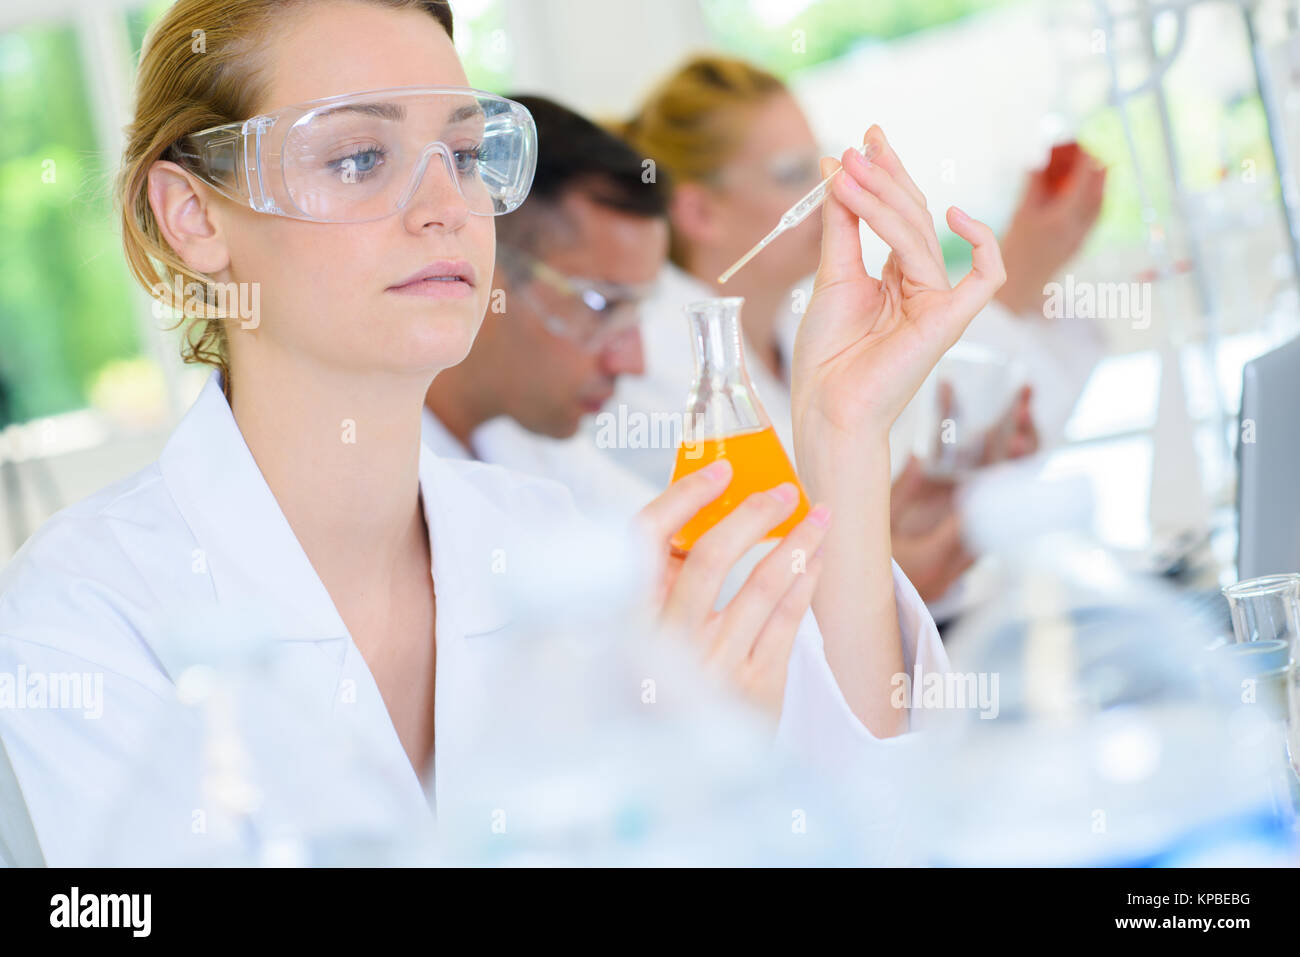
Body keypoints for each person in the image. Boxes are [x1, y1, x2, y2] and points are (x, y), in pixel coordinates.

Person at [0, 0, 1005, 865]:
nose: (448, 206)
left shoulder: (560, 542)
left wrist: (842, 431)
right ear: (193, 217)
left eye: (468, 155)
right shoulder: (87, 614)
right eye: (359, 157)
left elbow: (858, 815)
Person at [604, 55, 1104, 605]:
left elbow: (861, 498)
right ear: (699, 212)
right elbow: (765, 576)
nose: (828, 188)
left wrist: (912, 512)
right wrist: (1022, 270)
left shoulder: (801, 324)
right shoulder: (649, 360)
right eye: (793, 173)